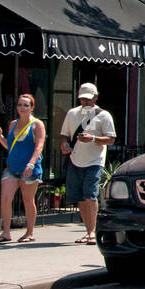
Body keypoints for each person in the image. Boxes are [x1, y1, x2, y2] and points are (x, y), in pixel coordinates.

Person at [60, 83, 116, 244]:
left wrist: (92, 138)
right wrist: (64, 144)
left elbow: (111, 139)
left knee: (90, 195)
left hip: (95, 160)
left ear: (96, 97)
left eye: (88, 99)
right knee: (80, 197)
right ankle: (88, 230)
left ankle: (92, 232)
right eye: (82, 99)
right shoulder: (72, 113)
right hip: (76, 159)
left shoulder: (104, 115)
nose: (84, 102)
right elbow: (64, 134)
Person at [0, 94, 45, 243]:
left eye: (26, 105)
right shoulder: (13, 124)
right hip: (12, 167)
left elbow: (39, 146)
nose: (22, 108)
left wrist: (31, 164)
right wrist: (0, 137)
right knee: (5, 199)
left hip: (29, 169)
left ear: (32, 107)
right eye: (20, 105)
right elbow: (11, 146)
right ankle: (6, 232)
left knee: (27, 200)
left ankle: (30, 232)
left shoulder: (37, 125)